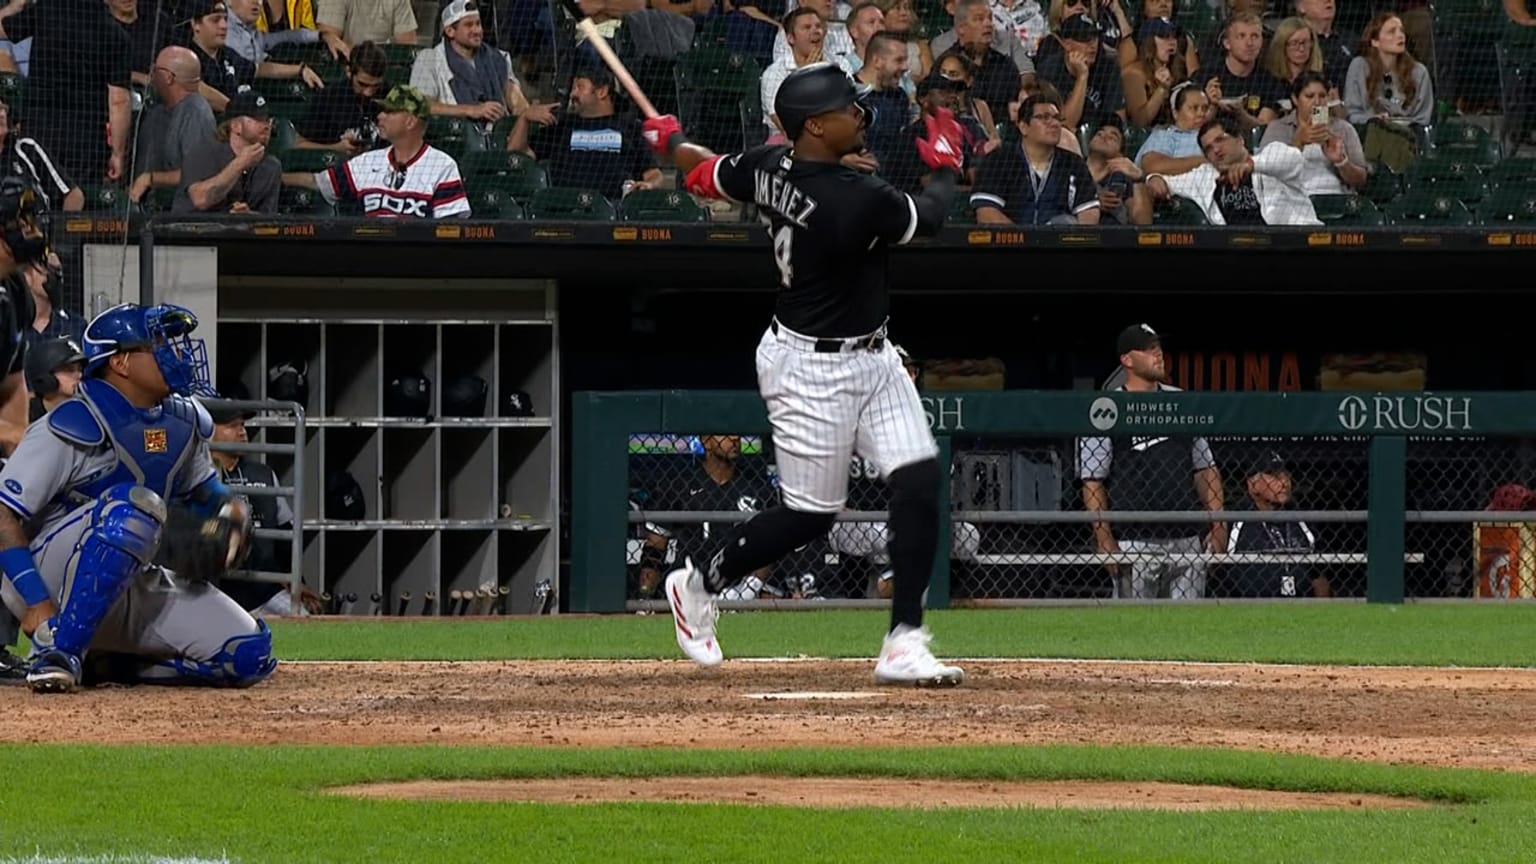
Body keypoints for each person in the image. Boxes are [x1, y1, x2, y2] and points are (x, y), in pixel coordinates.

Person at [638, 62, 967, 687]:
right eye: (849, 108)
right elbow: (934, 214)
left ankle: (904, 640)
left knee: (920, 481)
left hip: (874, 356)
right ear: (815, 125)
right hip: (810, 368)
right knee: (811, 515)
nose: (861, 116)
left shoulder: (768, 164)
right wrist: (948, 164)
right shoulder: (855, 199)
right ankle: (698, 583)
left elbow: (707, 173)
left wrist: (671, 143)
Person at [0, 302, 278, 694]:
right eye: (160, 344)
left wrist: (230, 513)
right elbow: (3, 514)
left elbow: (206, 494)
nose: (176, 353)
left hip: (131, 572)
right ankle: (57, 653)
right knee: (134, 507)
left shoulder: (183, 422)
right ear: (122, 363)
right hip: (48, 574)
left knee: (246, 653)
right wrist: (35, 604)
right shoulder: (70, 424)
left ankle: (105, 663)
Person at [0, 176, 50, 684]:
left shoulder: (14, 287)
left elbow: (13, 380)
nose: (27, 229)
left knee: (15, 500)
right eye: (17, 219)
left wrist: (17, 442)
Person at [23, 335, 82, 422]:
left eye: (80, 369)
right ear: (45, 377)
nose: (79, 375)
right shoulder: (24, 413)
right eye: (69, 370)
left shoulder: (87, 410)